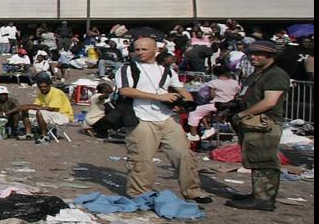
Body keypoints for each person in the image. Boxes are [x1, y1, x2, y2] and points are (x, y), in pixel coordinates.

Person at [117, 34, 203, 203]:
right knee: (141, 159)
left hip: (168, 118)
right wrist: (159, 97)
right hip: (141, 117)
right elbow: (125, 91)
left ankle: (192, 191)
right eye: (137, 49)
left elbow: (181, 89)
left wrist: (186, 104)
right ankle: (140, 194)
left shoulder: (167, 70)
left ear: (156, 50)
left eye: (144, 49)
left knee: (184, 155)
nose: (140, 52)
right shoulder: (128, 68)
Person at [224, 40, 292, 211]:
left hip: (265, 123)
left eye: (258, 54)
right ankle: (257, 194)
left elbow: (269, 102)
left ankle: (264, 199)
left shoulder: (275, 74)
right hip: (253, 123)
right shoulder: (258, 73)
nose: (253, 57)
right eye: (251, 53)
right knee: (255, 159)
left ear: (270, 56)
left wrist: (242, 114)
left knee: (265, 161)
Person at [10, 74, 74, 142]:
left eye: (44, 87)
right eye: (40, 87)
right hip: (50, 114)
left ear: (49, 85)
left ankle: (45, 136)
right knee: (25, 110)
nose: (42, 88)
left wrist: (33, 107)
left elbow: (53, 109)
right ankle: (29, 134)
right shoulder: (41, 93)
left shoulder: (57, 92)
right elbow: (36, 105)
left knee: (39, 112)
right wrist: (26, 107)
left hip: (63, 115)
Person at [187, 64, 241, 135]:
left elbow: (212, 96)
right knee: (203, 111)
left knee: (194, 112)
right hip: (231, 105)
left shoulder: (213, 83)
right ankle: (208, 128)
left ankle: (194, 134)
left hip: (217, 105)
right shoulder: (235, 83)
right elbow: (237, 94)